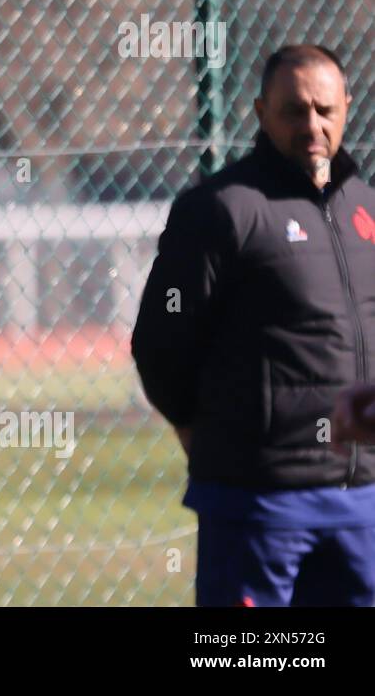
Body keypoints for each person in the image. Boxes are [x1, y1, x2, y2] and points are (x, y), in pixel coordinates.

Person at [133, 43, 375, 607]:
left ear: (347, 107)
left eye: (324, 110)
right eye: (294, 110)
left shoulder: (367, 209)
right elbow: (159, 343)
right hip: (257, 504)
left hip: (362, 503)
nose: (311, 125)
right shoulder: (219, 210)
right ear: (262, 113)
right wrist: (201, 436)